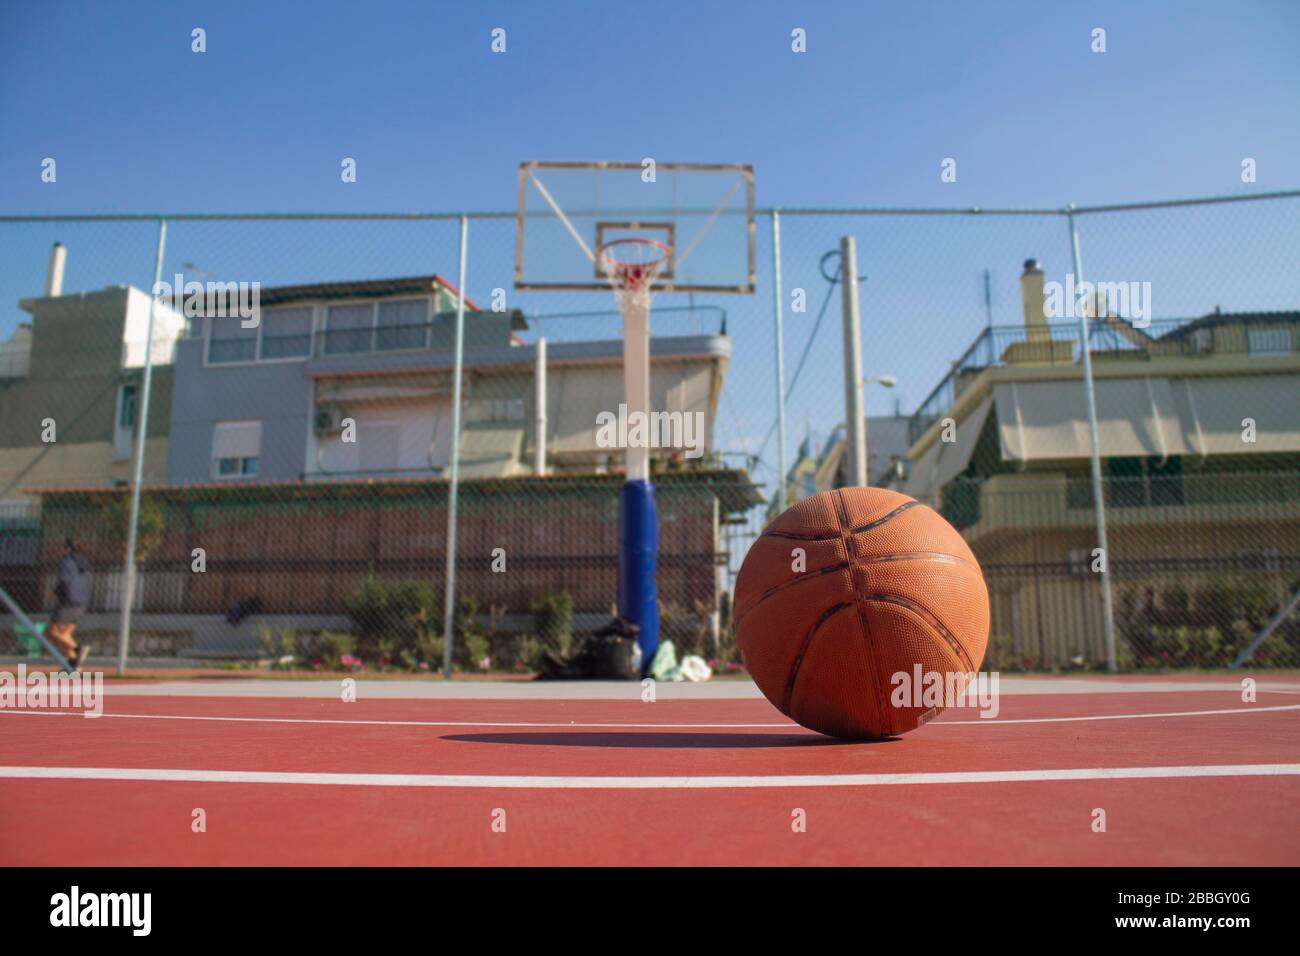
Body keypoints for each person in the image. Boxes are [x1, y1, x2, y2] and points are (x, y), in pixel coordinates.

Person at [48, 538, 91, 669]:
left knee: (52, 632)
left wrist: (55, 593)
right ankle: (74, 664)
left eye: (61, 547)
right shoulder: (82, 562)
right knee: (65, 634)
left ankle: (78, 649)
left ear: (67, 549)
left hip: (69, 602)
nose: (58, 550)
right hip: (81, 602)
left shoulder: (66, 562)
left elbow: (64, 581)